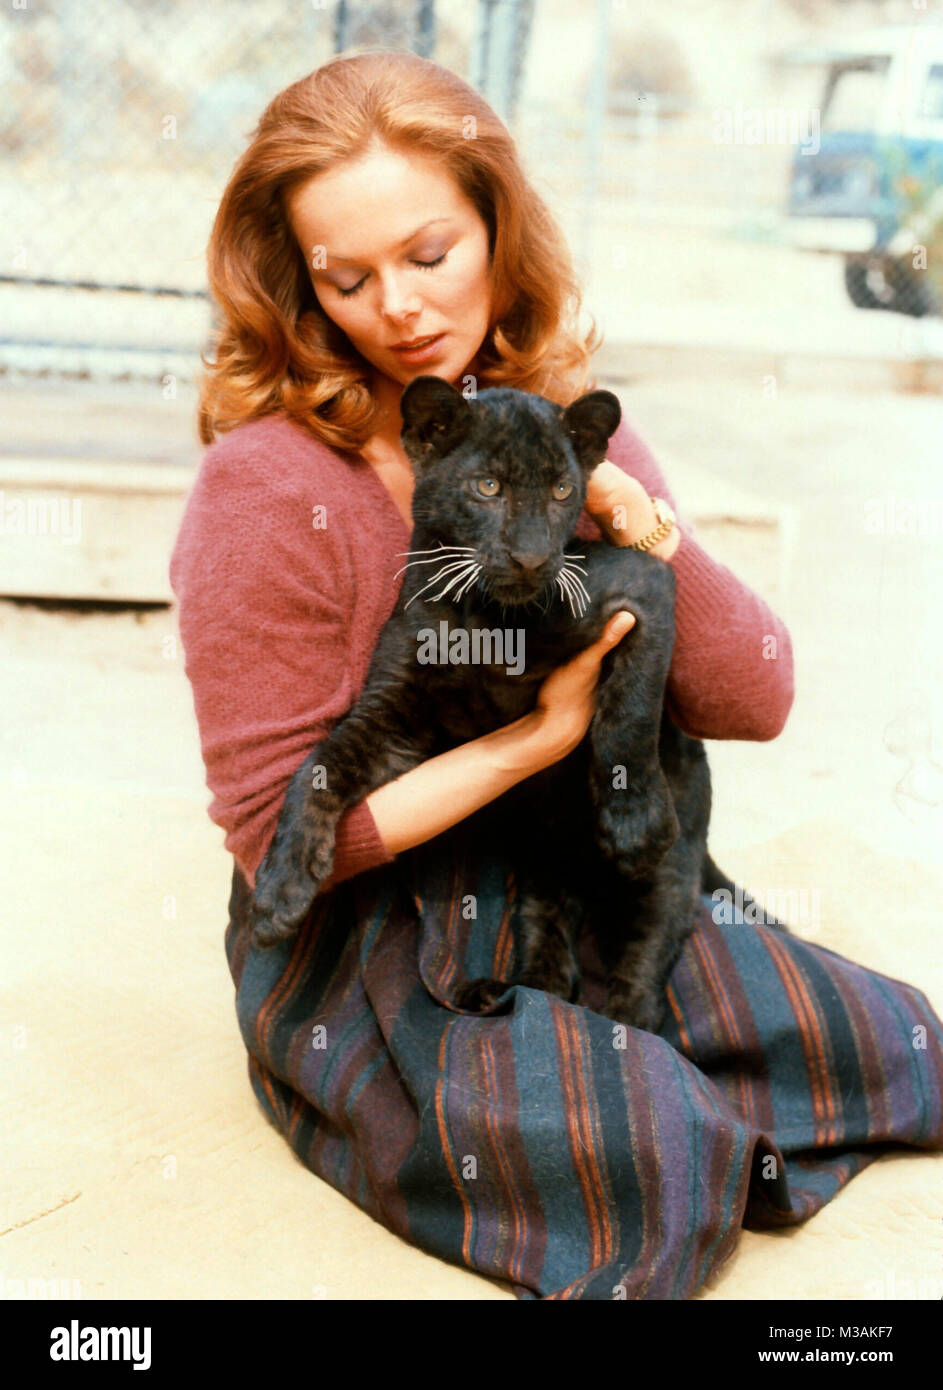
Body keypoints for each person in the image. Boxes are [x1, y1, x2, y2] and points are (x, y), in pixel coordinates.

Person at [170, 50, 943, 1301]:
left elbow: (757, 694)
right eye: (346, 276)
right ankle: (617, 1097)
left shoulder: (562, 425)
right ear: (295, 279)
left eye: (430, 254)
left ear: (494, 226)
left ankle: (647, 1054)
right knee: (643, 1151)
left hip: (580, 859)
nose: (400, 309)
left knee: (879, 1044)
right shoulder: (263, 489)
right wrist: (532, 741)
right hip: (383, 915)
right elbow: (278, 834)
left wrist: (629, 513)